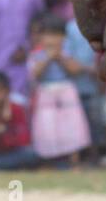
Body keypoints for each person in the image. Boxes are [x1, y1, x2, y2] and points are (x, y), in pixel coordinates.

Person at [27, 16, 93, 163]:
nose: (53, 39)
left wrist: (60, 57)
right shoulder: (37, 55)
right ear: (41, 37)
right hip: (46, 94)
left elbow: (74, 70)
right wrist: (49, 58)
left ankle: (74, 161)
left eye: (57, 35)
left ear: (64, 37)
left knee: (71, 126)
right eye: (48, 35)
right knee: (48, 127)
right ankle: (49, 161)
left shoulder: (67, 53)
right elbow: (34, 74)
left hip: (66, 92)